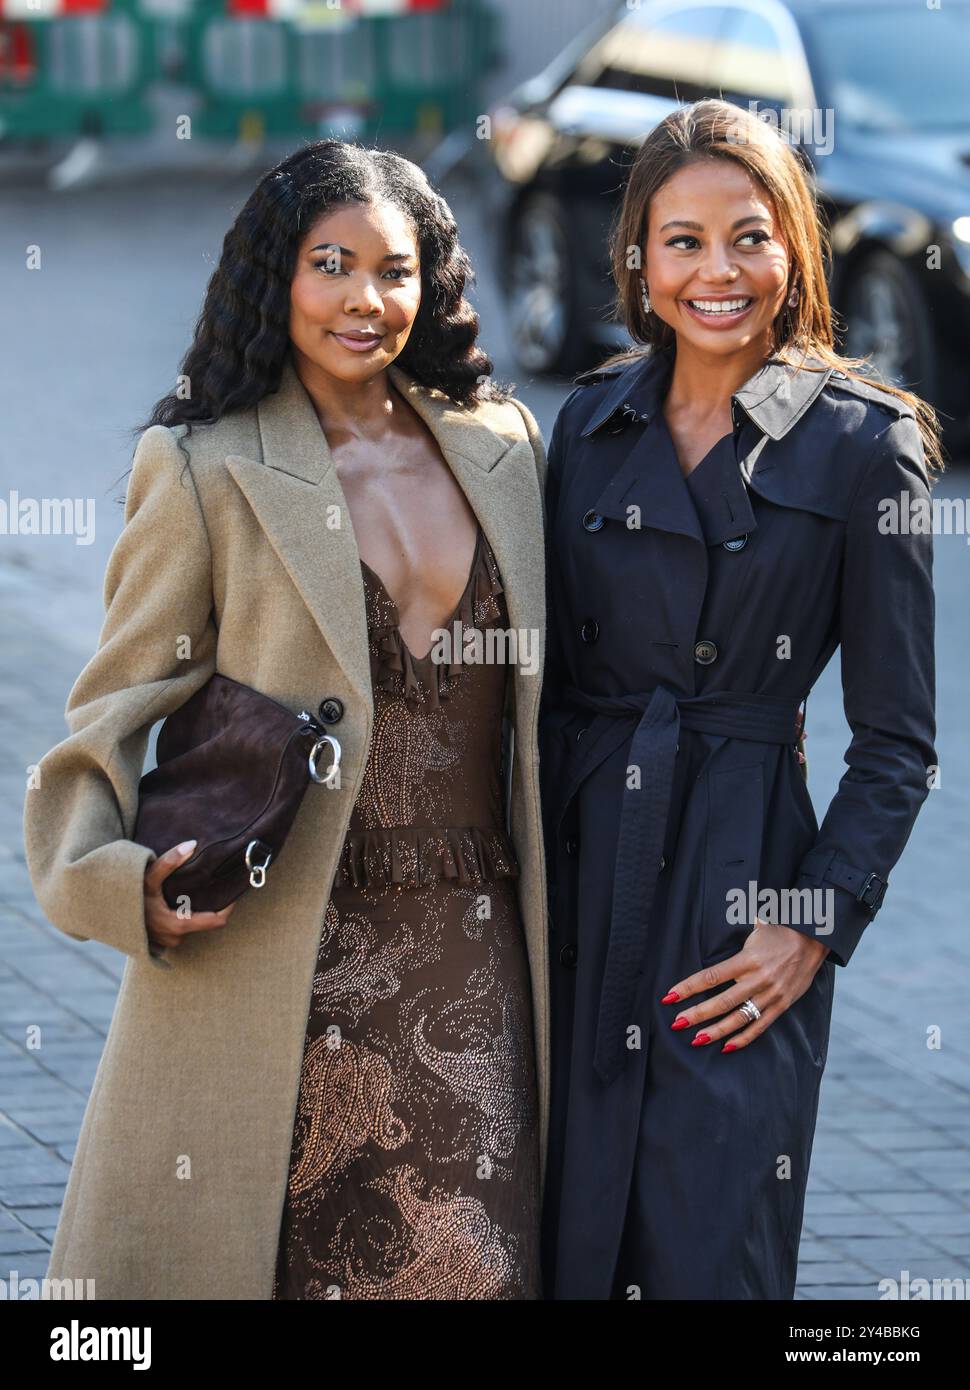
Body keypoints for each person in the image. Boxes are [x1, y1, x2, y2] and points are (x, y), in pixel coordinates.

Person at [22, 140, 550, 1300]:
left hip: (478, 945)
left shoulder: (503, 448)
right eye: (332, 263)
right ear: (276, 273)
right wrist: (109, 879)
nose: (367, 300)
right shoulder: (205, 465)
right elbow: (110, 708)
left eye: (395, 270)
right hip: (284, 951)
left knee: (475, 1266)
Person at [538, 99, 941, 1301]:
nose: (717, 272)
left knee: (716, 1248)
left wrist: (809, 923)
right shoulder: (588, 423)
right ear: (637, 259)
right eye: (682, 241)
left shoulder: (869, 447)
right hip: (579, 867)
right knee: (565, 1237)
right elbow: (546, 682)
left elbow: (899, 744)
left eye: (748, 237)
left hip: (738, 885)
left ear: (793, 251)